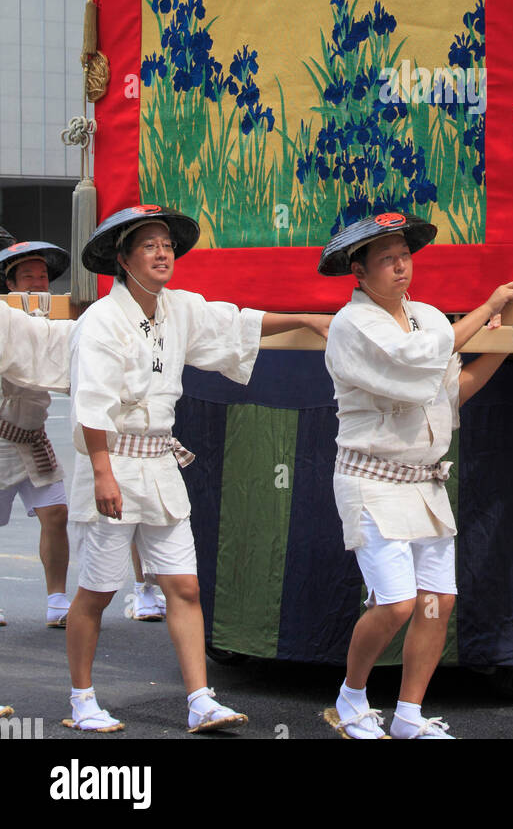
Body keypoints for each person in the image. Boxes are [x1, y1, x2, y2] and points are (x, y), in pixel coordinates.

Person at [65, 203, 331, 734]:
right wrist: (101, 471)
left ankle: (199, 697)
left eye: (167, 244)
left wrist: (303, 316)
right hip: (113, 458)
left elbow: (236, 323)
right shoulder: (101, 319)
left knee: (183, 587)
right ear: (123, 259)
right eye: (149, 245)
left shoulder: (179, 309)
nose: (163, 253)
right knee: (97, 592)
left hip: (160, 464)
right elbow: (90, 400)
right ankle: (82, 698)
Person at [318, 210, 513, 739]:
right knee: (395, 602)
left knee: (438, 601)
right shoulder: (352, 324)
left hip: (425, 482)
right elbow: (415, 367)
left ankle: (409, 713)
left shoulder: (432, 318)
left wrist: (503, 343)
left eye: (404, 256)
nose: (400, 267)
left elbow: (450, 392)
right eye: (386, 260)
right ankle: (351, 698)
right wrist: (485, 309)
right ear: (359, 273)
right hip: (373, 477)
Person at [0, 249, 73, 718]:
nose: (38, 281)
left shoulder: (52, 316)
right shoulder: (6, 318)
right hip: (1, 435)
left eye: (43, 275)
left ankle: (56, 599)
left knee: (57, 513)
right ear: (10, 281)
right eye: (29, 275)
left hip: (36, 436)